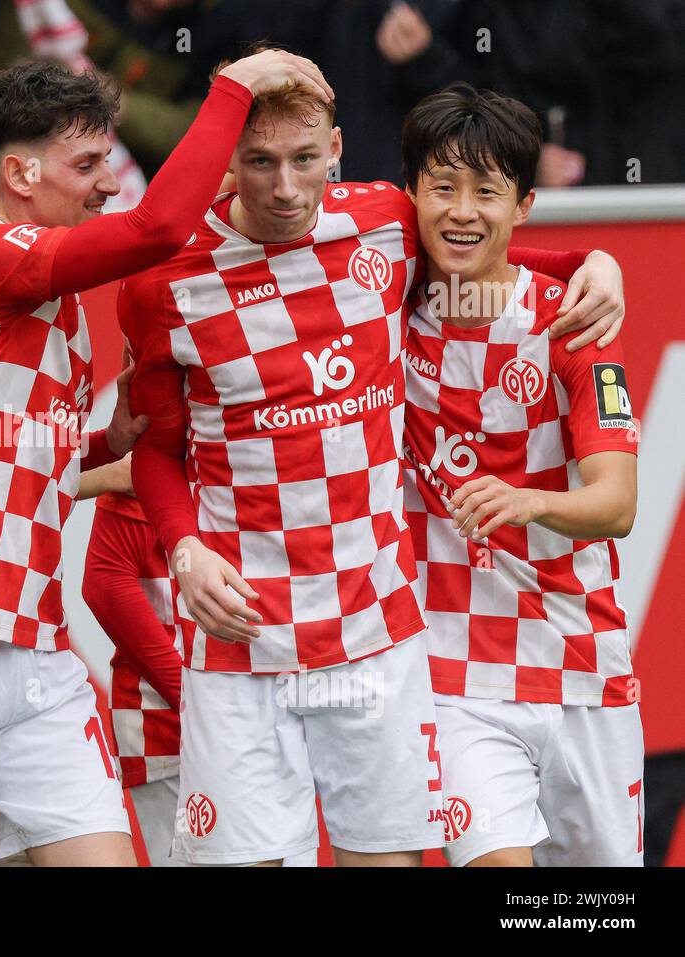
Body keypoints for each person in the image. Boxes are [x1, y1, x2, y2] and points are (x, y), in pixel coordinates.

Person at [121, 60, 625, 866]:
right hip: (240, 636)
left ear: (337, 151)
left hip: (377, 631)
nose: (285, 187)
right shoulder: (165, 285)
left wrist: (589, 262)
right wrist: (183, 548)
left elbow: (481, 245)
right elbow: (153, 448)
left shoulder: (383, 224)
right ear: (226, 160)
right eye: (259, 162)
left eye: (305, 159)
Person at [0, 49, 333, 867]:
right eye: (89, 165)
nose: (109, 184)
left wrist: (114, 439)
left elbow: (21, 458)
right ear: (18, 174)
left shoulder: (55, 300)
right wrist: (235, 86)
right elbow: (158, 228)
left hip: (35, 642)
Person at [399, 83, 642, 866]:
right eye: (442, 186)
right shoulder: (380, 318)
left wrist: (526, 499)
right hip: (452, 677)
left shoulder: (573, 325)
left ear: (525, 203)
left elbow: (617, 502)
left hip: (580, 669)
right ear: (412, 195)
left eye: (486, 191)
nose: (461, 210)